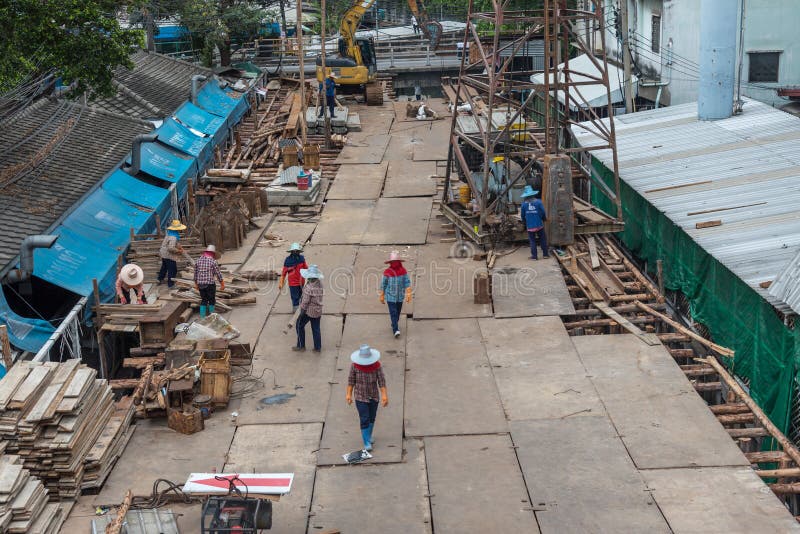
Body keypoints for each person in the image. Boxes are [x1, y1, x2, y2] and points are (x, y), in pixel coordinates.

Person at [346, 344, 388, 456]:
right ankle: (366, 442)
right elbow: (351, 381)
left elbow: (381, 381)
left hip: (373, 396)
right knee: (364, 417)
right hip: (360, 397)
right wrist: (348, 394)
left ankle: (368, 436)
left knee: (372, 417)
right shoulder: (354, 366)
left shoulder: (377, 366)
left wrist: (384, 395)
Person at [379, 251, 411, 338]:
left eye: (396, 261)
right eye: (392, 262)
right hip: (390, 297)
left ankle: (394, 323)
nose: (394, 263)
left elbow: (407, 282)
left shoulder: (403, 272)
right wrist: (382, 295)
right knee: (393, 312)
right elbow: (383, 284)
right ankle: (396, 330)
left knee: (397, 313)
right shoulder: (387, 272)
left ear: (399, 262)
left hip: (400, 297)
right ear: (390, 263)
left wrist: (408, 293)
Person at [294, 264, 324, 353]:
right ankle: (317, 348)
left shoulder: (309, 287)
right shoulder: (319, 283)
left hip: (309, 311)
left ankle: (301, 345)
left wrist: (301, 311)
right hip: (318, 310)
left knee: (299, 325)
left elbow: (305, 301)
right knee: (316, 329)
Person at [194, 245, 225, 318]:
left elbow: (195, 273)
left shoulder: (198, 261)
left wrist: (196, 284)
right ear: (213, 253)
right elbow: (218, 273)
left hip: (200, 284)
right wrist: (222, 283)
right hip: (210, 284)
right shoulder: (213, 261)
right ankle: (212, 315)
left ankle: (202, 317)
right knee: (211, 299)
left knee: (204, 300)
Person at [520, 185, 548, 260]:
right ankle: (545, 254)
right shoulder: (539, 202)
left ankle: (534, 257)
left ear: (525, 196)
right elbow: (543, 212)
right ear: (533, 194)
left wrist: (524, 222)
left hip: (530, 226)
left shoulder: (523, 205)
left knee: (532, 241)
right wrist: (544, 218)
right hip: (539, 225)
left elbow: (522, 215)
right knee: (542, 239)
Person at [279, 243, 308, 312]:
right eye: (294, 251)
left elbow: (306, 268)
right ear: (291, 252)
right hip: (293, 283)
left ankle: (301, 310)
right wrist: (281, 282)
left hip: (301, 282)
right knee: (295, 297)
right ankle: (296, 311)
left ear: (299, 251)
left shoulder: (302, 259)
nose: (295, 252)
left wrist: (311, 276)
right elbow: (283, 273)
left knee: (302, 296)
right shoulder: (288, 261)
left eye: (297, 251)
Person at [157, 219, 186, 287]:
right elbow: (171, 248)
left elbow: (172, 243)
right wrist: (178, 251)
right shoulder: (173, 237)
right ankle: (171, 284)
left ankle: (159, 279)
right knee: (173, 269)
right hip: (168, 255)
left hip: (163, 253)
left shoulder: (169, 233)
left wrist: (179, 246)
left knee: (164, 267)